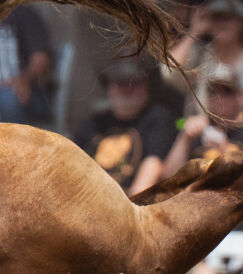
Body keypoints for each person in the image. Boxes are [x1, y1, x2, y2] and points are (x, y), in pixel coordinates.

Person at [73, 57, 179, 195]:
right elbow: (72, 167)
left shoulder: (159, 119)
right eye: (120, 82)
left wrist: (131, 206)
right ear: (109, 86)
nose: (127, 89)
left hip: (129, 205)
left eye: (134, 82)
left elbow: (150, 172)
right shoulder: (92, 122)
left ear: (147, 85)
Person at [164, 63, 243, 176]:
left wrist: (225, 152)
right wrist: (184, 139)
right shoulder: (198, 128)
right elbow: (169, 179)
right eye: (213, 91)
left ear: (241, 96)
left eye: (227, 91)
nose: (219, 98)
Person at [164, 0, 243, 118]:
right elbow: (168, 71)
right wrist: (194, 31)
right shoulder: (201, 56)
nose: (221, 23)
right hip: (200, 131)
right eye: (216, 18)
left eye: (227, 18)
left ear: (240, 22)